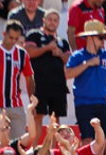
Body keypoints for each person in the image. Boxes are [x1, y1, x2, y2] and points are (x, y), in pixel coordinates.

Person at [64, 21, 106, 144]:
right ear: (90, 38)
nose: (103, 41)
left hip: (103, 103)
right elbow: (67, 74)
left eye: (104, 38)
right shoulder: (77, 56)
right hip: (83, 104)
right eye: (100, 38)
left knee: (104, 139)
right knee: (87, 139)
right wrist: (88, 63)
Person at [25, 10, 72, 140]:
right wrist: (47, 48)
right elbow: (28, 52)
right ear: (43, 20)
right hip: (39, 83)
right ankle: (34, 147)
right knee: (38, 115)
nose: (52, 22)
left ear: (58, 23)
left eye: (55, 20)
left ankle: (54, 148)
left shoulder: (62, 41)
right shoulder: (34, 35)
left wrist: (60, 54)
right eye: (50, 19)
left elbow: (70, 60)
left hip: (58, 84)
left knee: (56, 117)